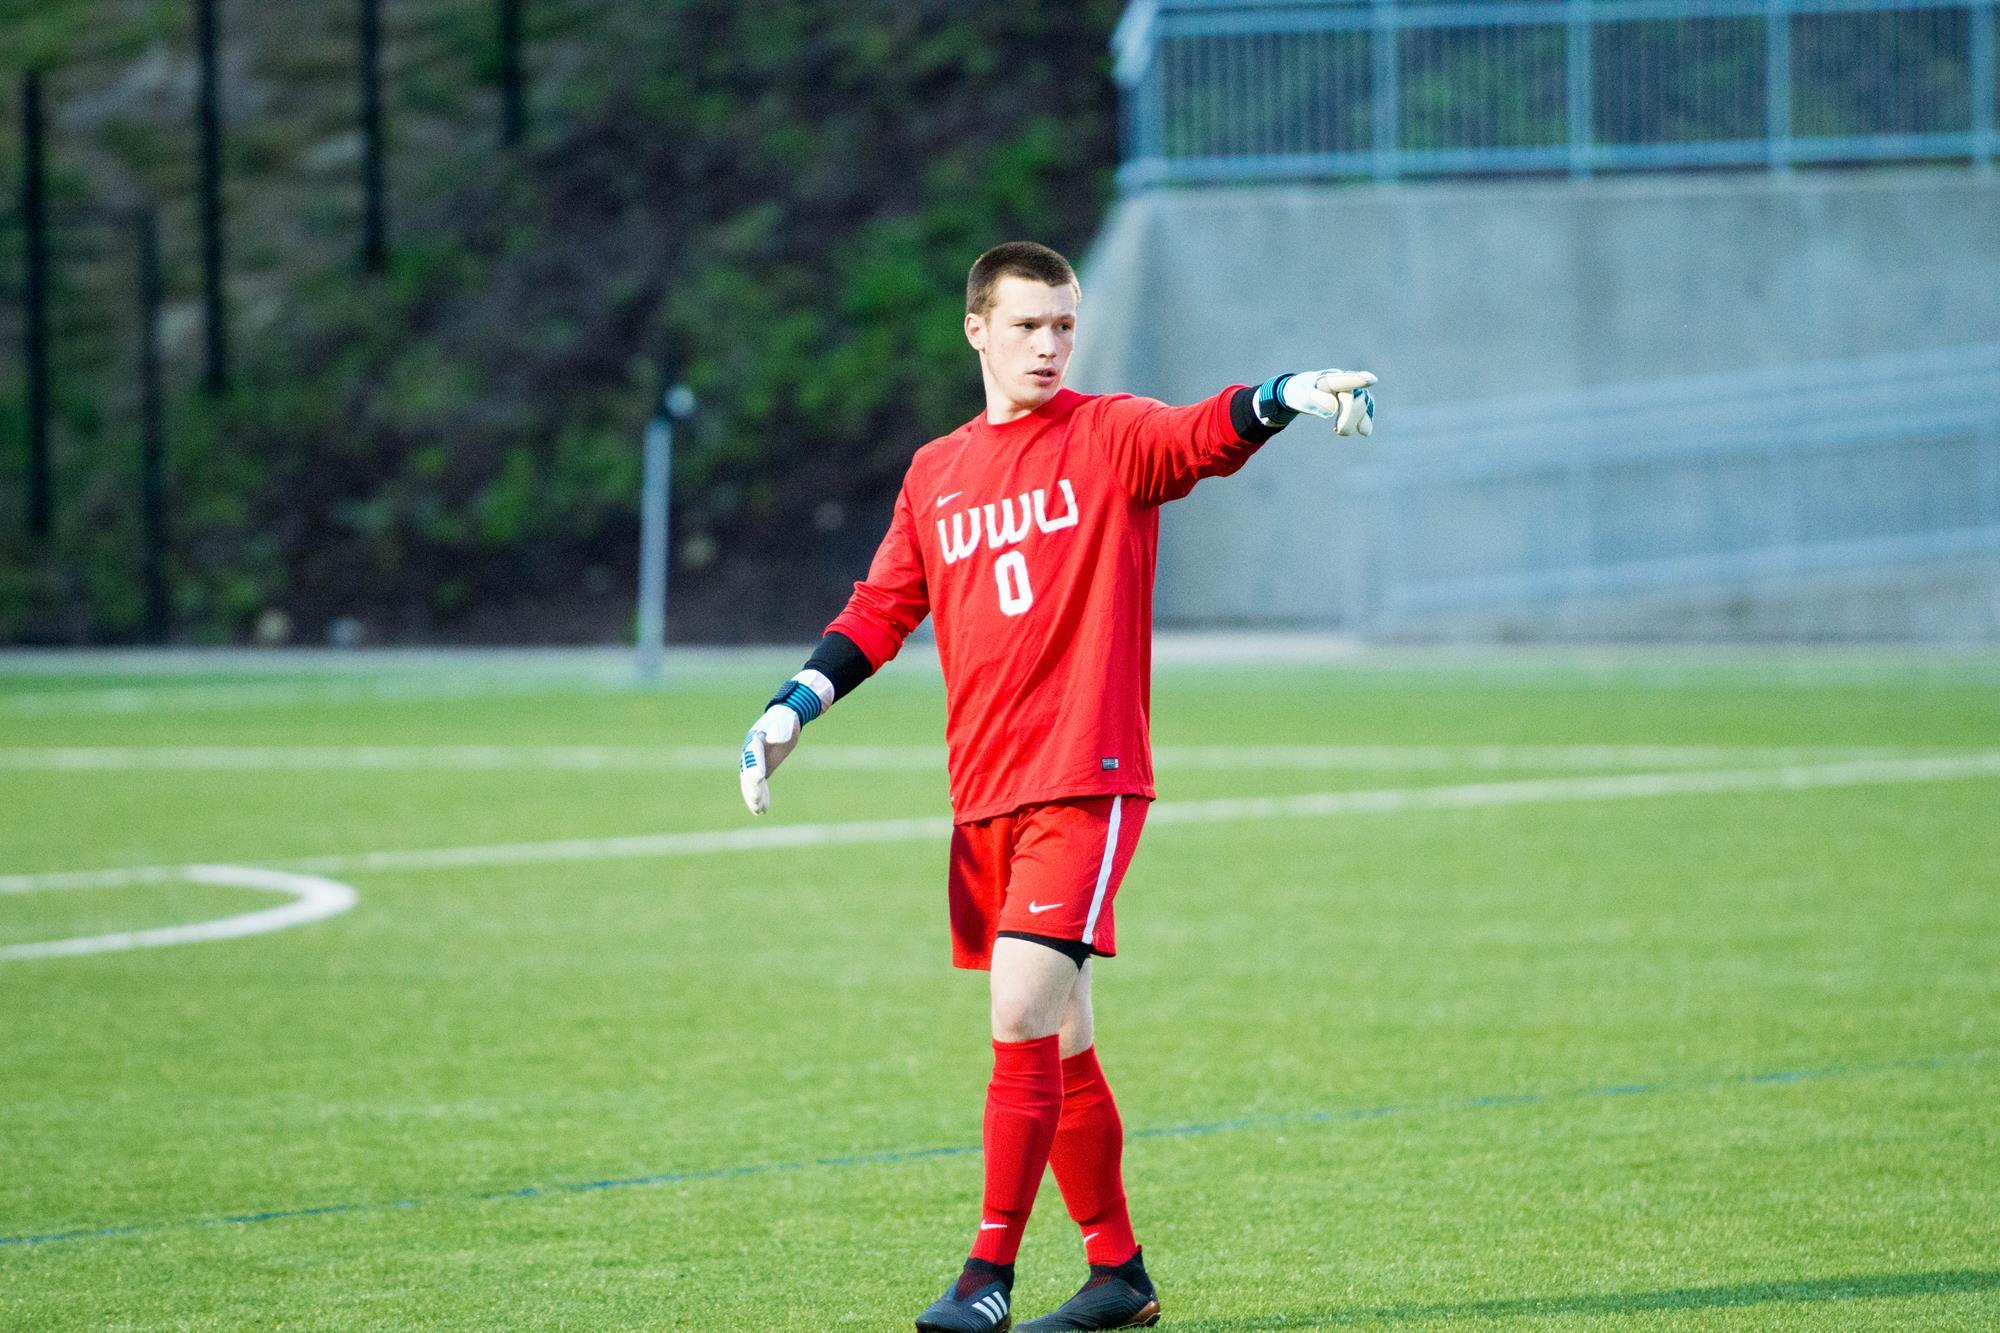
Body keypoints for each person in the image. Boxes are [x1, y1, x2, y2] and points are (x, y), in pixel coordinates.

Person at [738, 241, 1375, 1332]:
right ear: (977, 328)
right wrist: (791, 706)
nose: (1048, 343)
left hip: (1085, 779)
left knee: (1020, 1010)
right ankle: (1117, 1273)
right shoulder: (936, 471)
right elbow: (882, 605)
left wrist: (1283, 396)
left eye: (1063, 325)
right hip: (984, 793)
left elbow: (1197, 435)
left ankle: (984, 1276)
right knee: (1064, 1037)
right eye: (1027, 324)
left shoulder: (1107, 433)